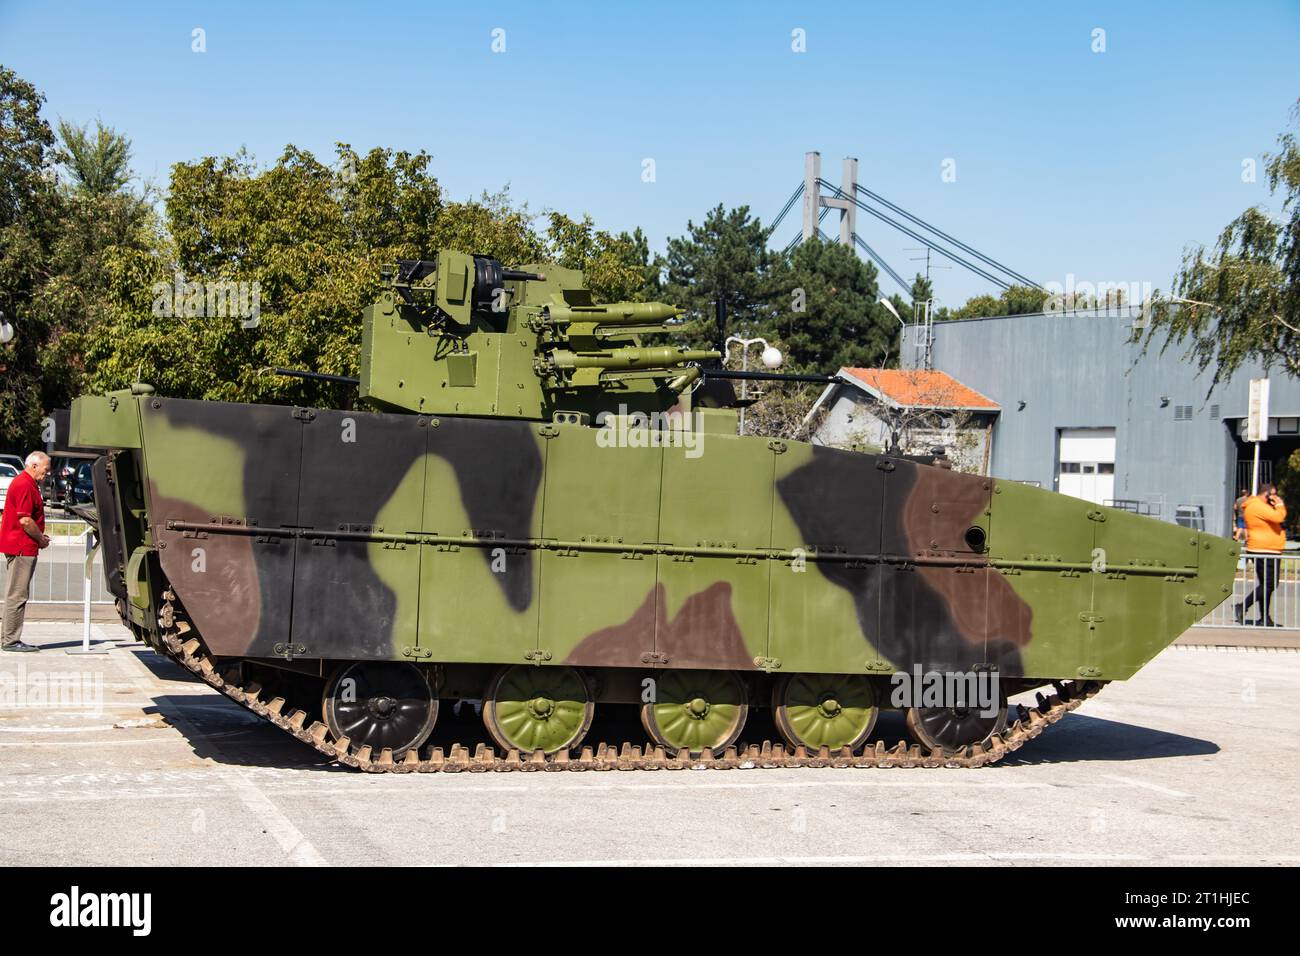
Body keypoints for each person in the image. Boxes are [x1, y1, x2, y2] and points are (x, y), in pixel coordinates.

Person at [0, 451, 52, 652]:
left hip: (20, 545)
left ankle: (8, 637)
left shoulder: (26, 483)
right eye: (45, 470)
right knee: (18, 594)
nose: (46, 474)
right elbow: (25, 520)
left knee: (15, 593)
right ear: (33, 466)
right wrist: (40, 539)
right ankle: (11, 640)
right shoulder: (24, 484)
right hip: (22, 547)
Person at [1235, 483, 1287, 627]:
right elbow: (1278, 518)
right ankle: (1243, 605)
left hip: (1269, 549)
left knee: (1266, 585)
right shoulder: (1257, 506)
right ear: (1266, 494)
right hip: (1263, 549)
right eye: (1273, 495)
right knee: (1269, 584)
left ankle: (1264, 617)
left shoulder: (1261, 506)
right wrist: (1280, 505)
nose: (1276, 498)